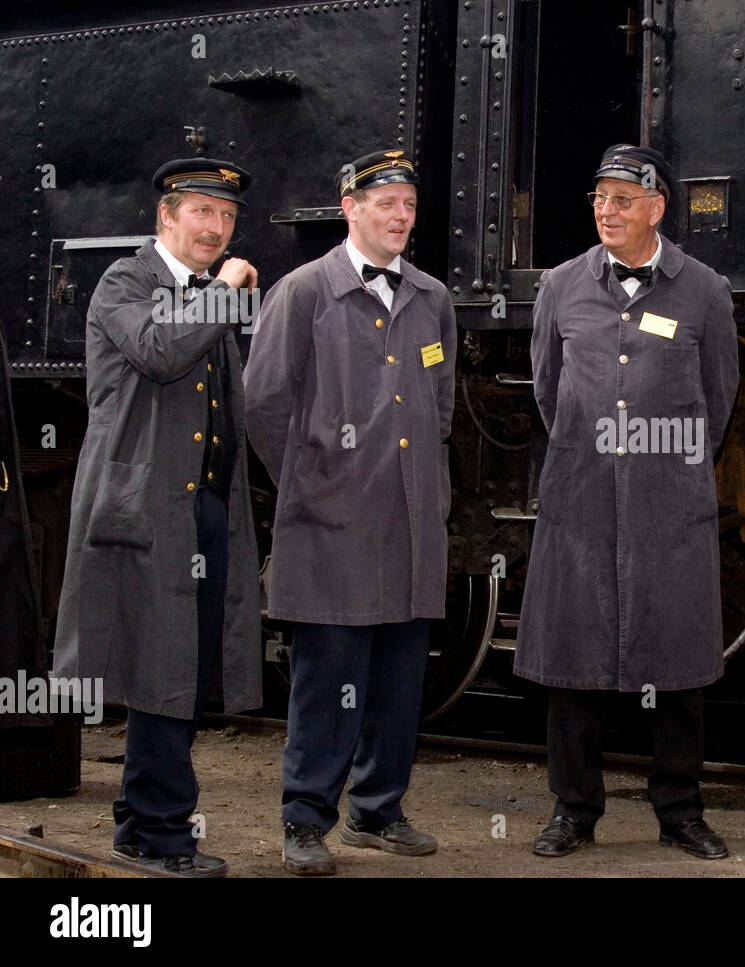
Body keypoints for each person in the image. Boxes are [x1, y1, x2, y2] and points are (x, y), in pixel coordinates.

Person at [514, 144, 740, 859]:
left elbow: (719, 400)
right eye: (599, 199)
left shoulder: (704, 290)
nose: (606, 211)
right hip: (580, 498)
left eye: (622, 199)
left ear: (657, 208)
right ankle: (573, 810)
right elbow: (548, 389)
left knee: (677, 664)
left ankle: (681, 811)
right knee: (573, 663)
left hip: (668, 505)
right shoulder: (561, 285)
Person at [244, 149, 455, 876]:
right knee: (328, 680)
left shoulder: (431, 298)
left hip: (410, 522)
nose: (400, 216)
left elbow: (441, 405)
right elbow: (264, 402)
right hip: (331, 525)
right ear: (350, 209)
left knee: (399, 679)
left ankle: (378, 809)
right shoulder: (304, 292)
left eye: (409, 205)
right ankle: (304, 818)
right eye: (386, 203)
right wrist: (311, 482)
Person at [54, 158, 262, 876]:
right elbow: (161, 351)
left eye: (227, 216)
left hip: (202, 508)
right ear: (165, 217)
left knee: (181, 670)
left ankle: (143, 823)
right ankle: (159, 834)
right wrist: (226, 291)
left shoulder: (204, 294)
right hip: (145, 510)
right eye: (201, 212)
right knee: (161, 668)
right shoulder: (126, 283)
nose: (216, 227)